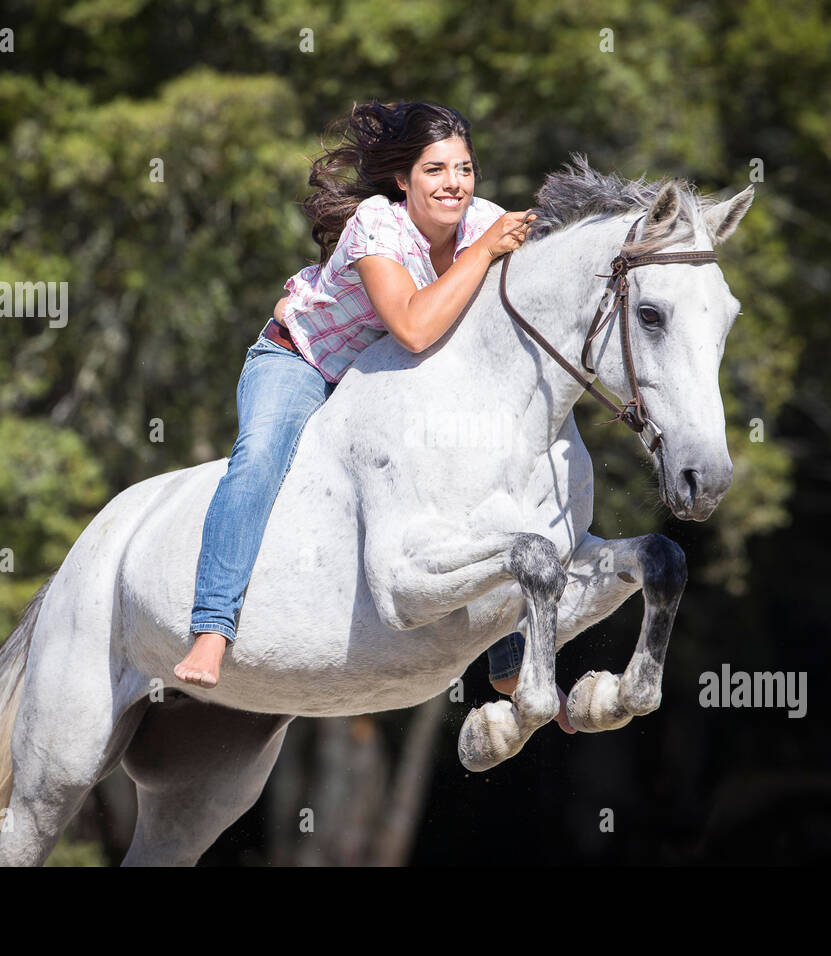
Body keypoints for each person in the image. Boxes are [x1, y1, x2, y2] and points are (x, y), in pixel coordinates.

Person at [174, 100, 574, 734]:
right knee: (258, 463)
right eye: (436, 170)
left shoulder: (488, 222)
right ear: (403, 180)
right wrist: (482, 254)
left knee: (486, 470)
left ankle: (508, 658)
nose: (454, 185)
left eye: (465, 170)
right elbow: (414, 328)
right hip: (306, 363)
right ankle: (210, 629)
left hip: (387, 386)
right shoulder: (376, 225)